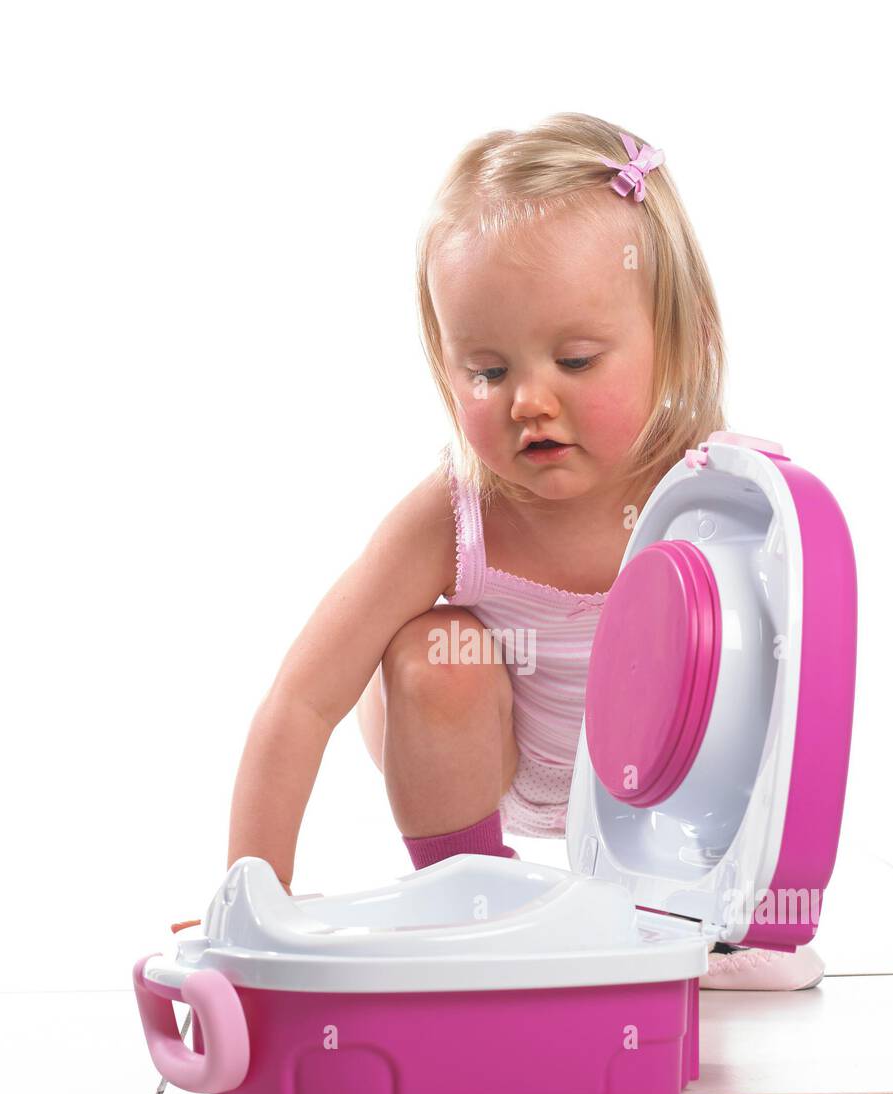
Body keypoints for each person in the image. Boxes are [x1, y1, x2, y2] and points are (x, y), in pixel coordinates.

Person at [227, 112, 824, 991]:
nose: (528, 402)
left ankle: (701, 918)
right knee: (435, 653)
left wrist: (768, 902)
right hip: (485, 751)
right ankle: (470, 907)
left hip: (644, 781)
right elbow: (302, 699)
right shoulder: (454, 513)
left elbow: (801, 703)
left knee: (755, 641)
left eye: (576, 360)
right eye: (487, 371)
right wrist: (253, 900)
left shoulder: (721, 494)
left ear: (683, 337)